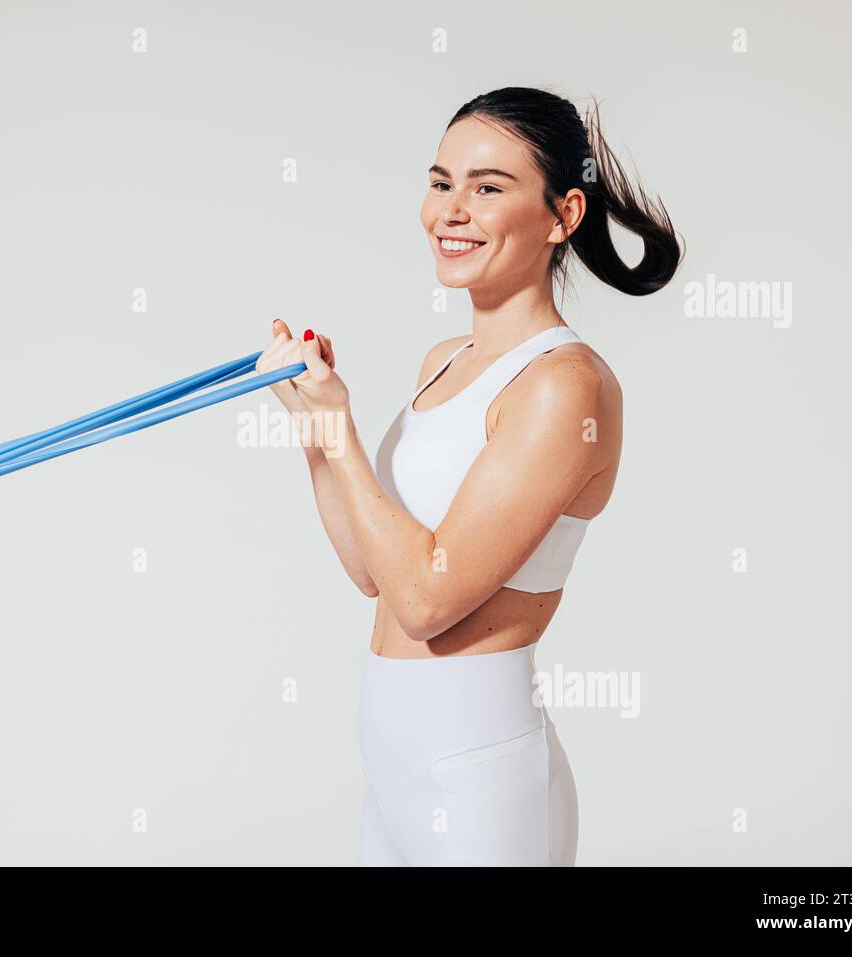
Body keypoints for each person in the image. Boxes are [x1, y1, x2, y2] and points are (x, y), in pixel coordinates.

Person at [257, 86, 682, 865]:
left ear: (563, 216)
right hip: (392, 760)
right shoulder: (444, 363)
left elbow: (425, 601)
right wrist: (315, 424)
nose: (450, 210)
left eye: (488, 188)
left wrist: (343, 427)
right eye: (441, 181)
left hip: (476, 766)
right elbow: (371, 570)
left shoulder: (564, 385)